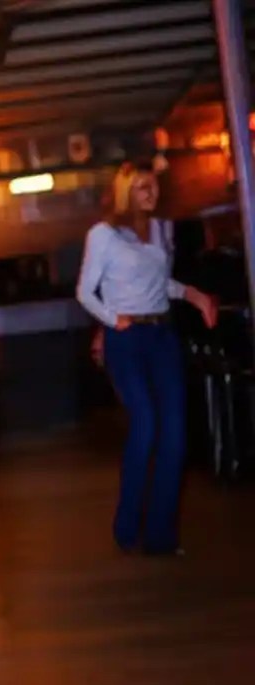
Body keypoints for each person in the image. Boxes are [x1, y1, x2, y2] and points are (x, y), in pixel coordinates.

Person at [76, 162, 216, 556]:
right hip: (127, 339)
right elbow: (85, 291)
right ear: (125, 192)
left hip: (161, 335)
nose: (150, 193)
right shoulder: (103, 235)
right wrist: (112, 320)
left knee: (175, 433)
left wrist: (194, 295)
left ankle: (160, 535)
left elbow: (159, 282)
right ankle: (127, 525)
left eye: (153, 186)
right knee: (146, 423)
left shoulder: (161, 229)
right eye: (141, 187)